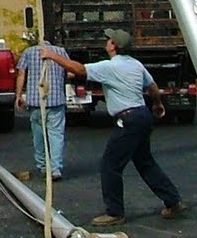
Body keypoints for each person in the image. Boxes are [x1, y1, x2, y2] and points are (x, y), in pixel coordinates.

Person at [53, 29, 184, 226]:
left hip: (128, 120)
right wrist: (157, 104)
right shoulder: (136, 64)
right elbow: (153, 87)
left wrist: (52, 55)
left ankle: (115, 212)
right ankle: (173, 201)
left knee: (110, 165)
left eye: (108, 40)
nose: (106, 42)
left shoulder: (110, 67)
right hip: (142, 115)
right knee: (145, 162)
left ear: (113, 45)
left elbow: (79, 69)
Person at [14, 38, 69, 181]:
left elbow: (21, 73)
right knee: (56, 135)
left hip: (36, 101)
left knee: (38, 136)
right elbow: (70, 71)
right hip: (56, 100)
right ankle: (55, 169)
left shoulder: (29, 52)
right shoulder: (60, 51)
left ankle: (43, 166)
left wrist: (19, 95)